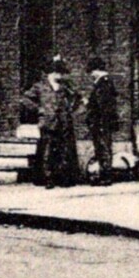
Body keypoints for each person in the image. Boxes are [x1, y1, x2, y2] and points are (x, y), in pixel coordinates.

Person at [19, 57, 81, 189]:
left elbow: (77, 97)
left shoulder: (64, 87)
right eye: (58, 73)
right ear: (51, 73)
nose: (60, 76)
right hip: (47, 122)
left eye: (61, 73)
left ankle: (63, 178)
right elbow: (24, 99)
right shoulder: (40, 87)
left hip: (63, 122)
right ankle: (48, 178)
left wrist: (70, 110)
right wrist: (39, 109)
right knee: (47, 151)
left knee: (63, 151)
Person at [83, 56, 118, 186]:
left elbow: (101, 105)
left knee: (103, 149)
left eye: (91, 71)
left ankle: (106, 176)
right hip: (103, 122)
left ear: (96, 70)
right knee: (103, 148)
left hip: (101, 122)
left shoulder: (103, 83)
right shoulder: (106, 82)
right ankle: (104, 175)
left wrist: (88, 103)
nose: (91, 74)